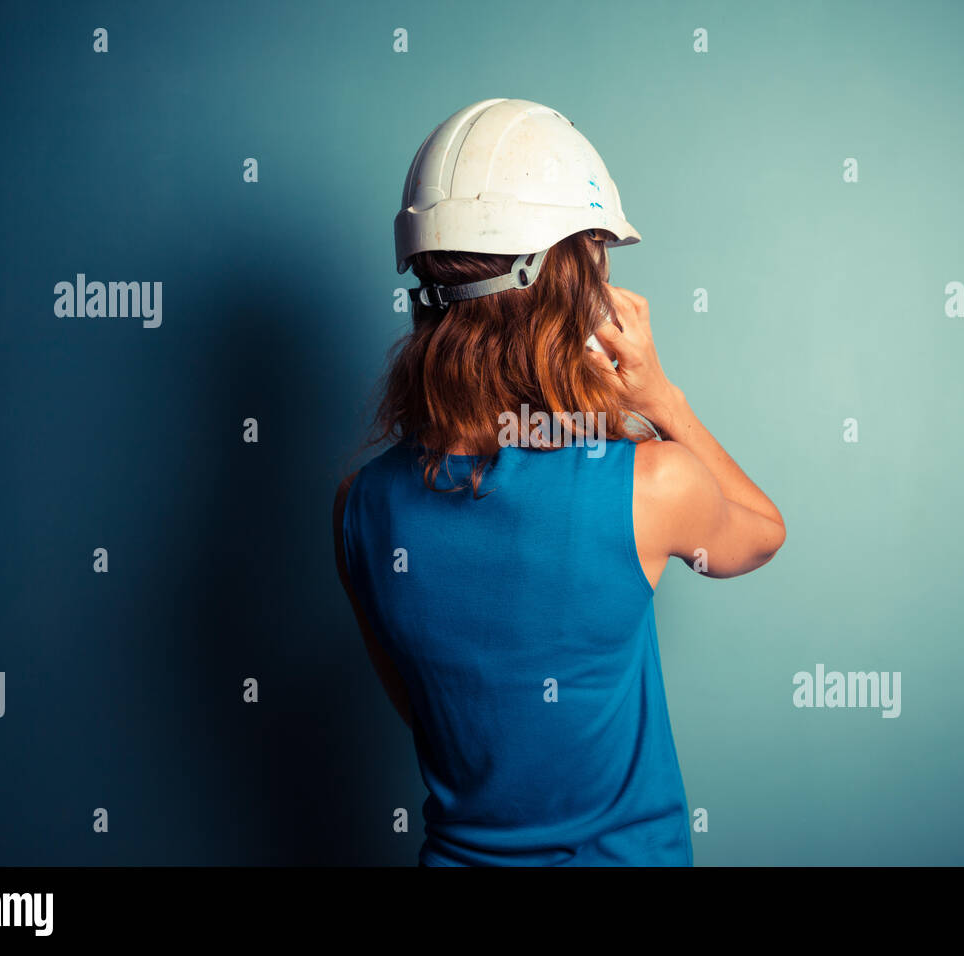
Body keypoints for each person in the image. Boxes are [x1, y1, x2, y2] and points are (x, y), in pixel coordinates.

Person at [333, 98, 786, 866]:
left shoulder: (361, 509)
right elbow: (761, 534)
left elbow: (434, 712)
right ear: (572, 288)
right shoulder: (651, 483)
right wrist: (661, 398)